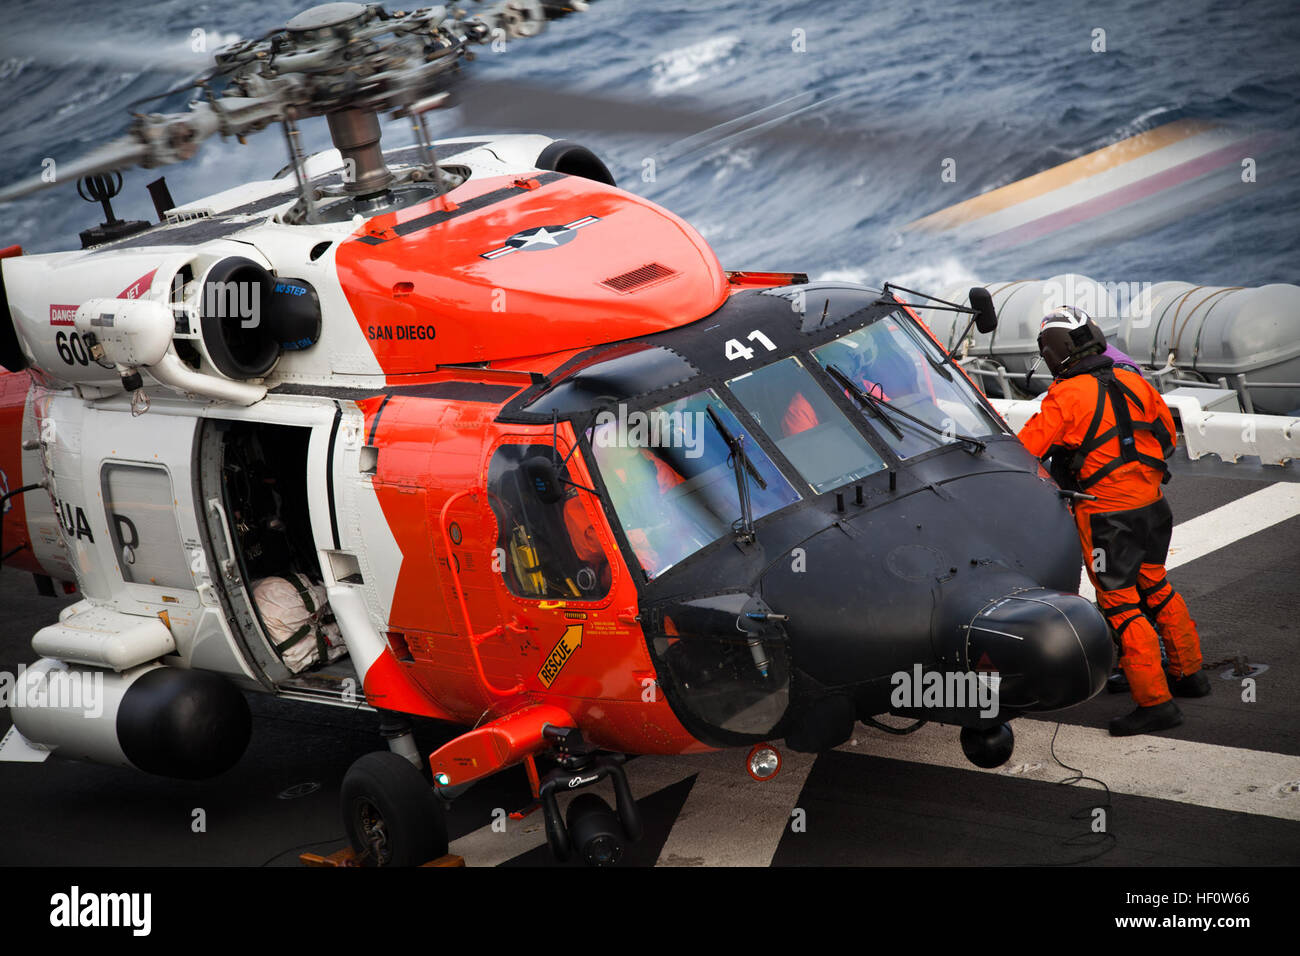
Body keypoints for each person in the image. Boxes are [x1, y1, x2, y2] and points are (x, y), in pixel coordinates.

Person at [1017, 306, 1210, 736]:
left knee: (1120, 605)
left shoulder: (1065, 397)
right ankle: (1189, 674)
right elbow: (1167, 436)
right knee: (1156, 585)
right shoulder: (1134, 380)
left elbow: (1025, 451)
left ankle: (1155, 703)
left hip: (1106, 517)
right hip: (1153, 507)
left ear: (1056, 351)